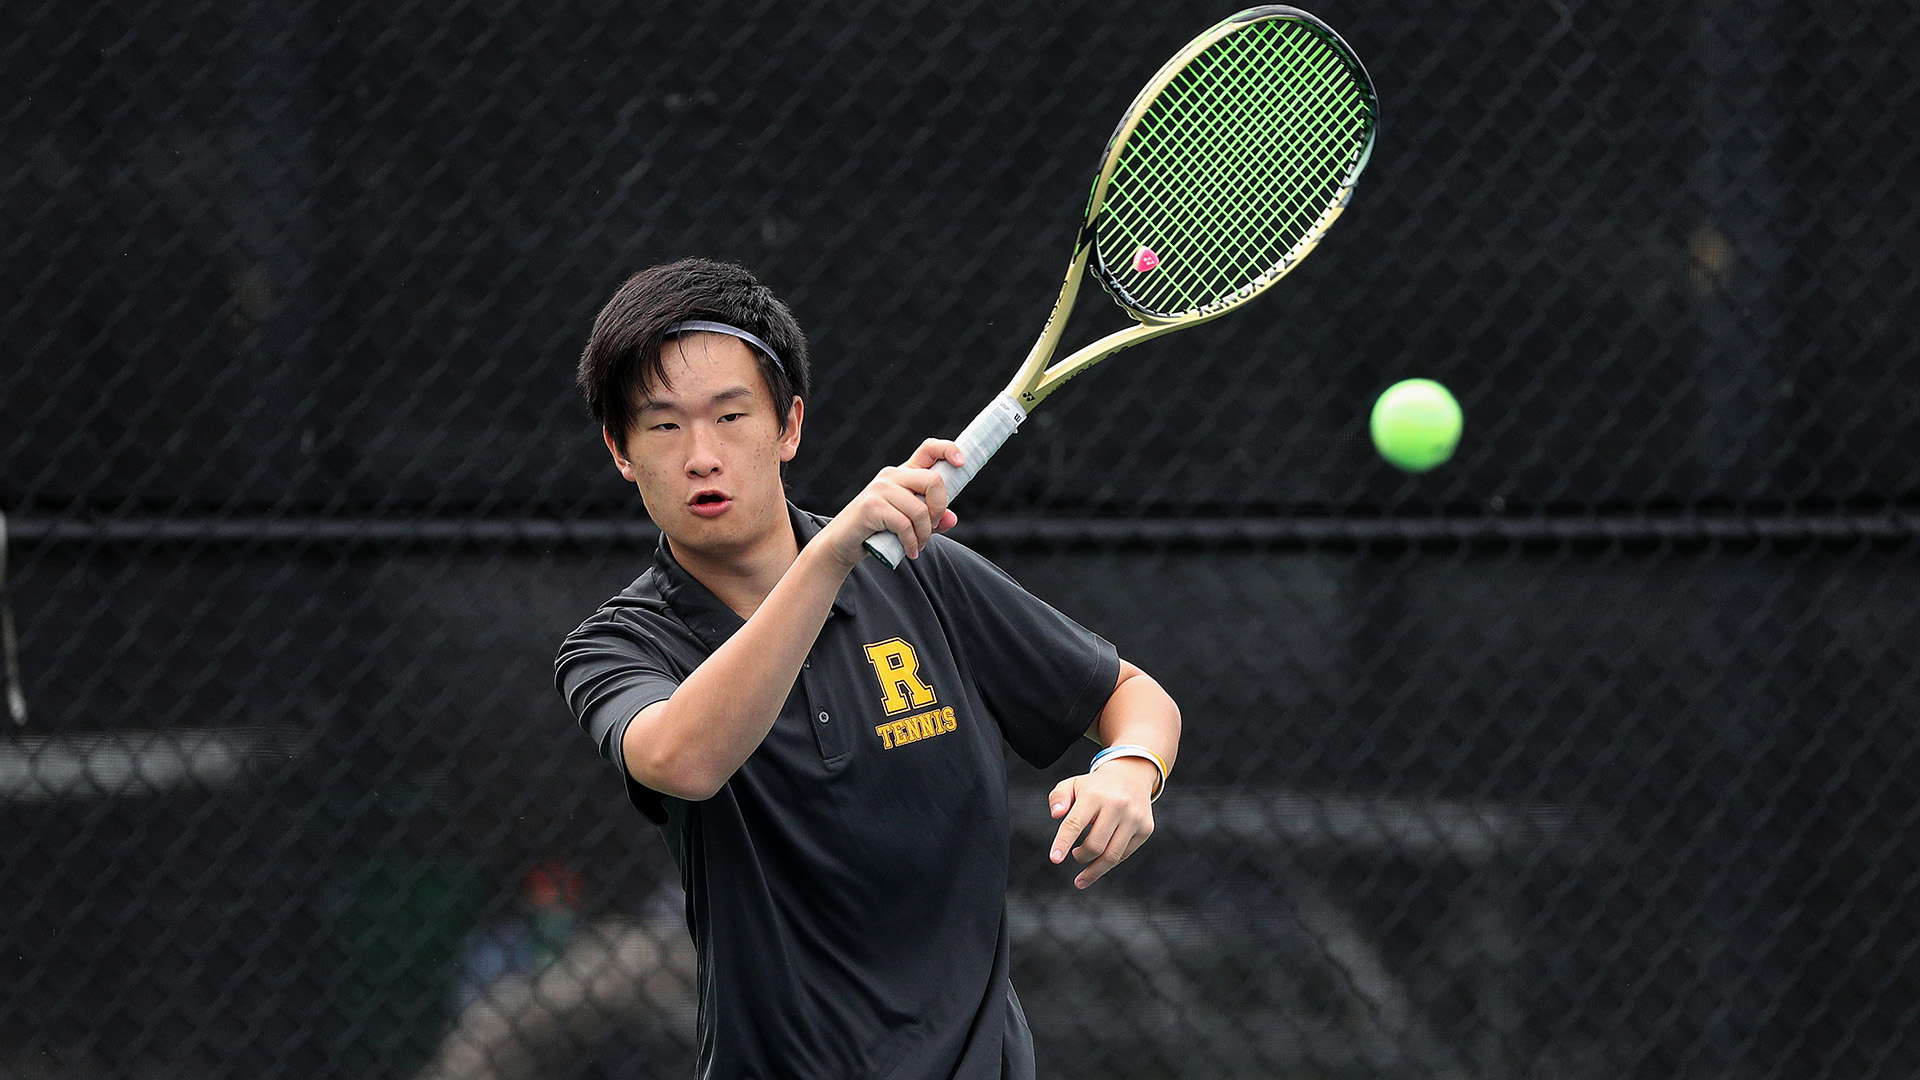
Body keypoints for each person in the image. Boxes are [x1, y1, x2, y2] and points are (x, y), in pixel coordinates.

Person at [554, 258, 1181, 1079]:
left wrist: (1130, 771)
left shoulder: (925, 575)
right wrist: (832, 558)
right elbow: (683, 759)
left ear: (789, 427)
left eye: (732, 416)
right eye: (663, 426)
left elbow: (1131, 694)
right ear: (621, 451)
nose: (701, 456)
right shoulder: (616, 645)